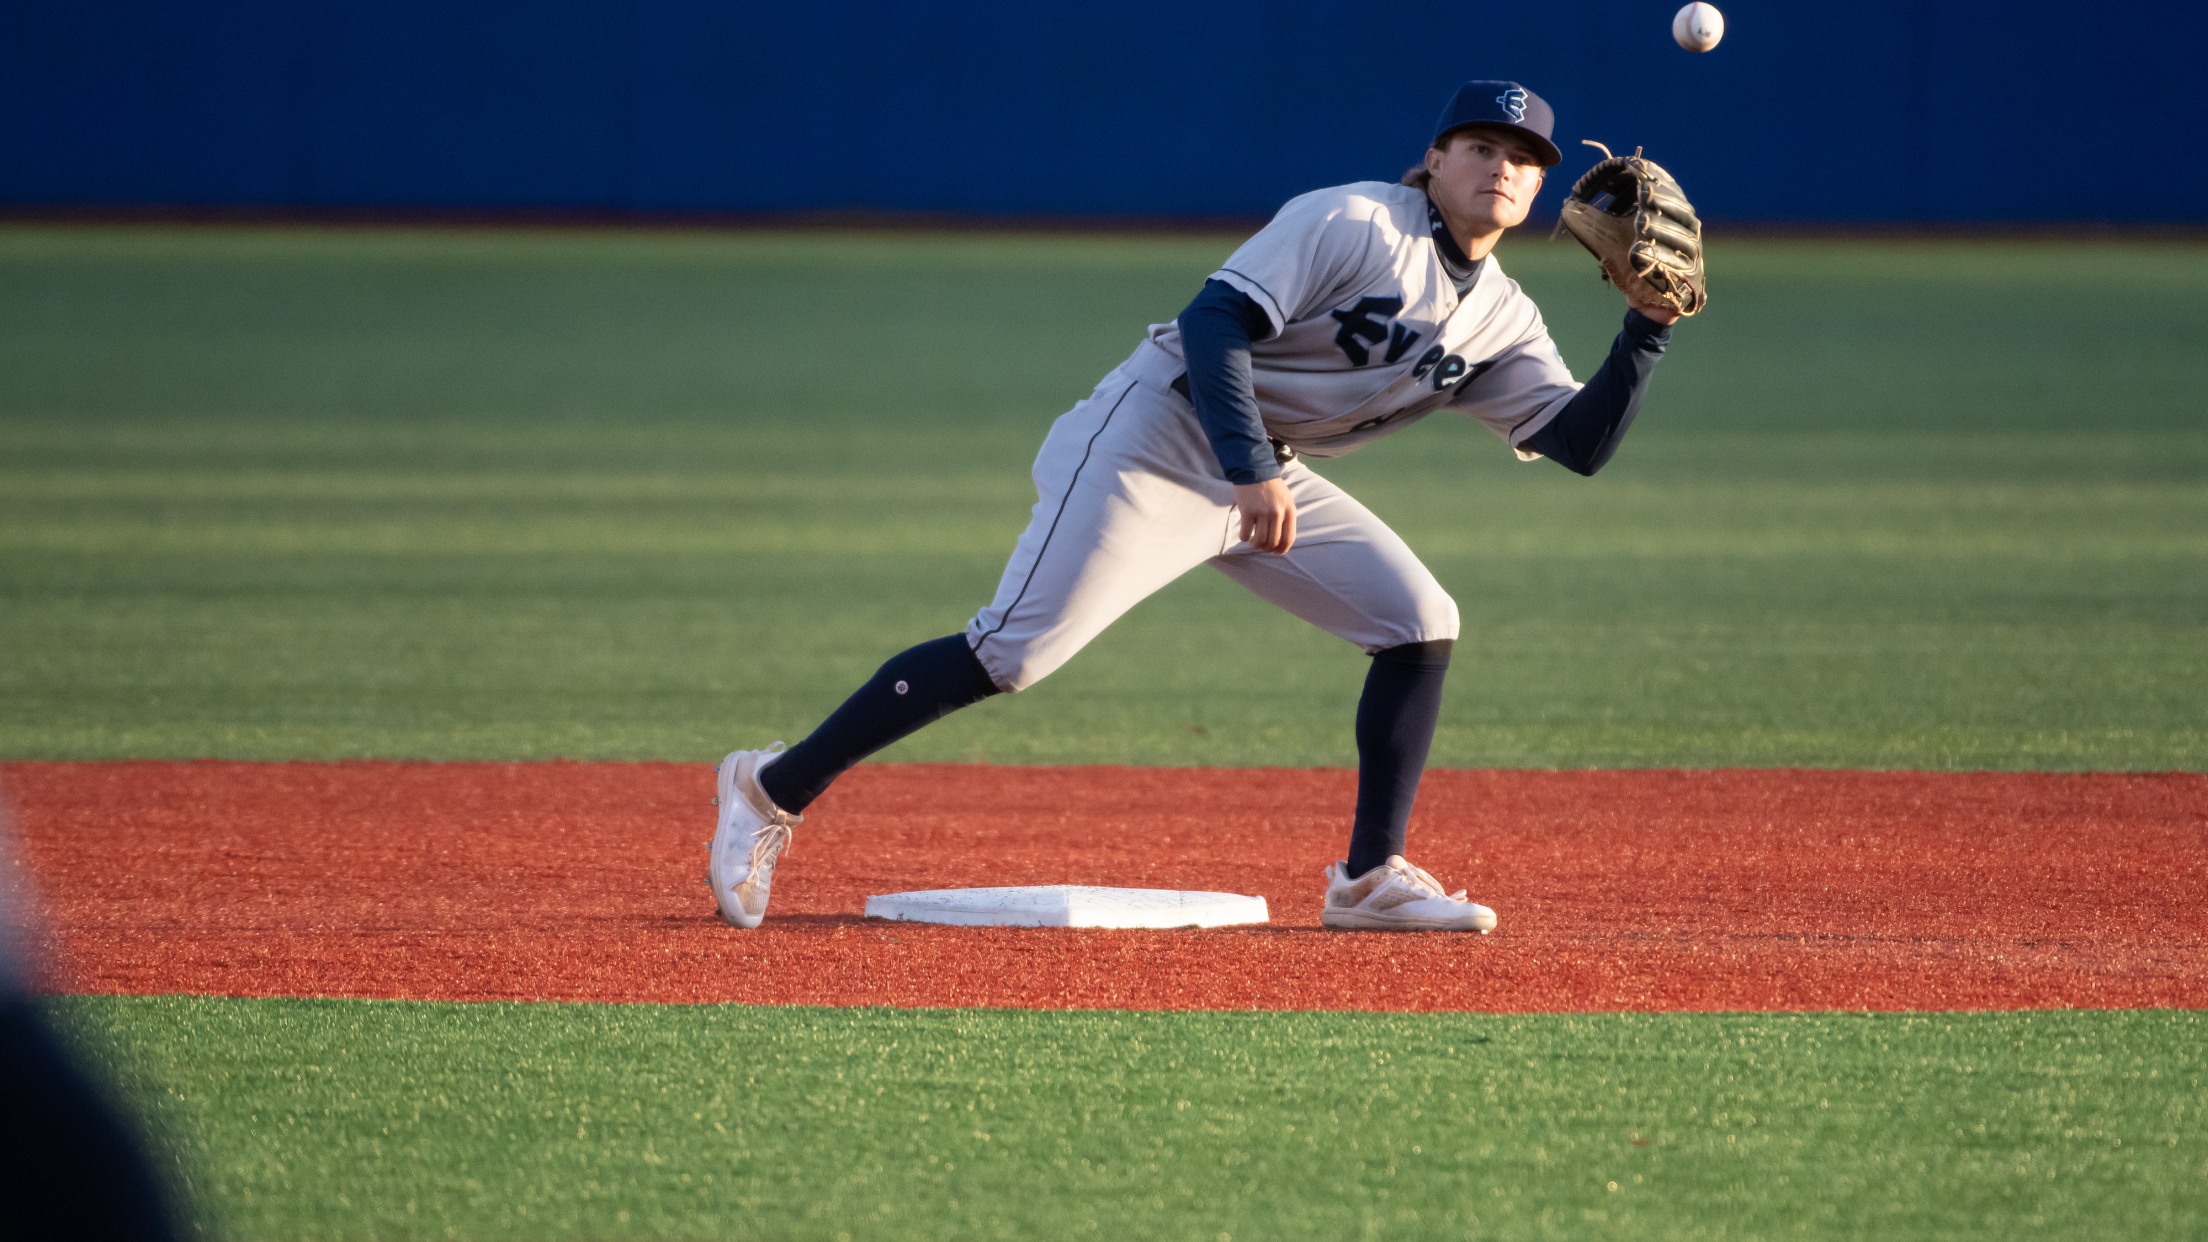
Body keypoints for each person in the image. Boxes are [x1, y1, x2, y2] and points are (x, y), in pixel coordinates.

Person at [709, 80, 1681, 932]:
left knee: (1419, 622)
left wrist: (1646, 328)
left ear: (1542, 188)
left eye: (1523, 160)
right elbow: (1218, 319)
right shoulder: (1353, 221)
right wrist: (1251, 465)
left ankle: (1370, 880)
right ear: (1434, 161)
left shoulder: (1505, 317)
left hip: (1263, 472)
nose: (1501, 169)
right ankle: (769, 787)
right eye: (1481, 147)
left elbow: (1577, 444)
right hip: (1156, 436)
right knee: (1012, 652)